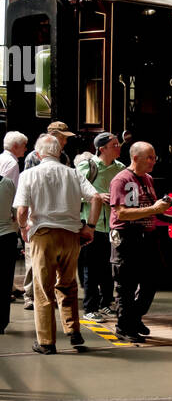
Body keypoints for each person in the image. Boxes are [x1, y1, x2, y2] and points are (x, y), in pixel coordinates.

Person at [13, 133, 106, 354]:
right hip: (70, 235)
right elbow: (96, 198)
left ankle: (46, 342)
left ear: (38, 154)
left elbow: (22, 210)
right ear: (58, 153)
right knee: (68, 284)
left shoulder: (29, 175)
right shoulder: (73, 174)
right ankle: (73, 331)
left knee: (43, 289)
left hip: (43, 235)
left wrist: (24, 228)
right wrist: (90, 227)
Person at [109, 141, 171, 342]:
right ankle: (124, 326)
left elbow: (153, 208)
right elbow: (123, 214)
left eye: (154, 157)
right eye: (149, 157)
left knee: (151, 280)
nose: (153, 161)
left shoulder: (148, 179)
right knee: (126, 284)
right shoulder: (121, 180)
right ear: (135, 158)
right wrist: (154, 210)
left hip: (148, 237)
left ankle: (133, 318)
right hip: (128, 237)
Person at [21, 121, 76, 309]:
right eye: (63, 138)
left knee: (56, 263)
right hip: (38, 218)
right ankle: (30, 294)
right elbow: (27, 189)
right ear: (52, 136)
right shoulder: (33, 157)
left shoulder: (65, 157)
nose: (65, 142)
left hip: (60, 218)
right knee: (33, 261)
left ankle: (51, 294)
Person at [76, 133, 123, 319]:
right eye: (114, 144)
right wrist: (96, 197)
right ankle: (90, 308)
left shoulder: (121, 168)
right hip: (92, 225)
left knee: (109, 267)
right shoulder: (88, 166)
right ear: (102, 148)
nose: (119, 147)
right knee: (91, 268)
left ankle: (106, 303)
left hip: (113, 225)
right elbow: (74, 191)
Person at [1, 131, 27, 305]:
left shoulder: (2, 158)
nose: (26, 149)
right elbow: (11, 191)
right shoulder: (12, 163)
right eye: (24, 145)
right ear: (16, 146)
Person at [0, 170, 16, 334]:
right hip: (6, 237)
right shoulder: (8, 184)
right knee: (5, 282)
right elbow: (15, 211)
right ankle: (1, 322)